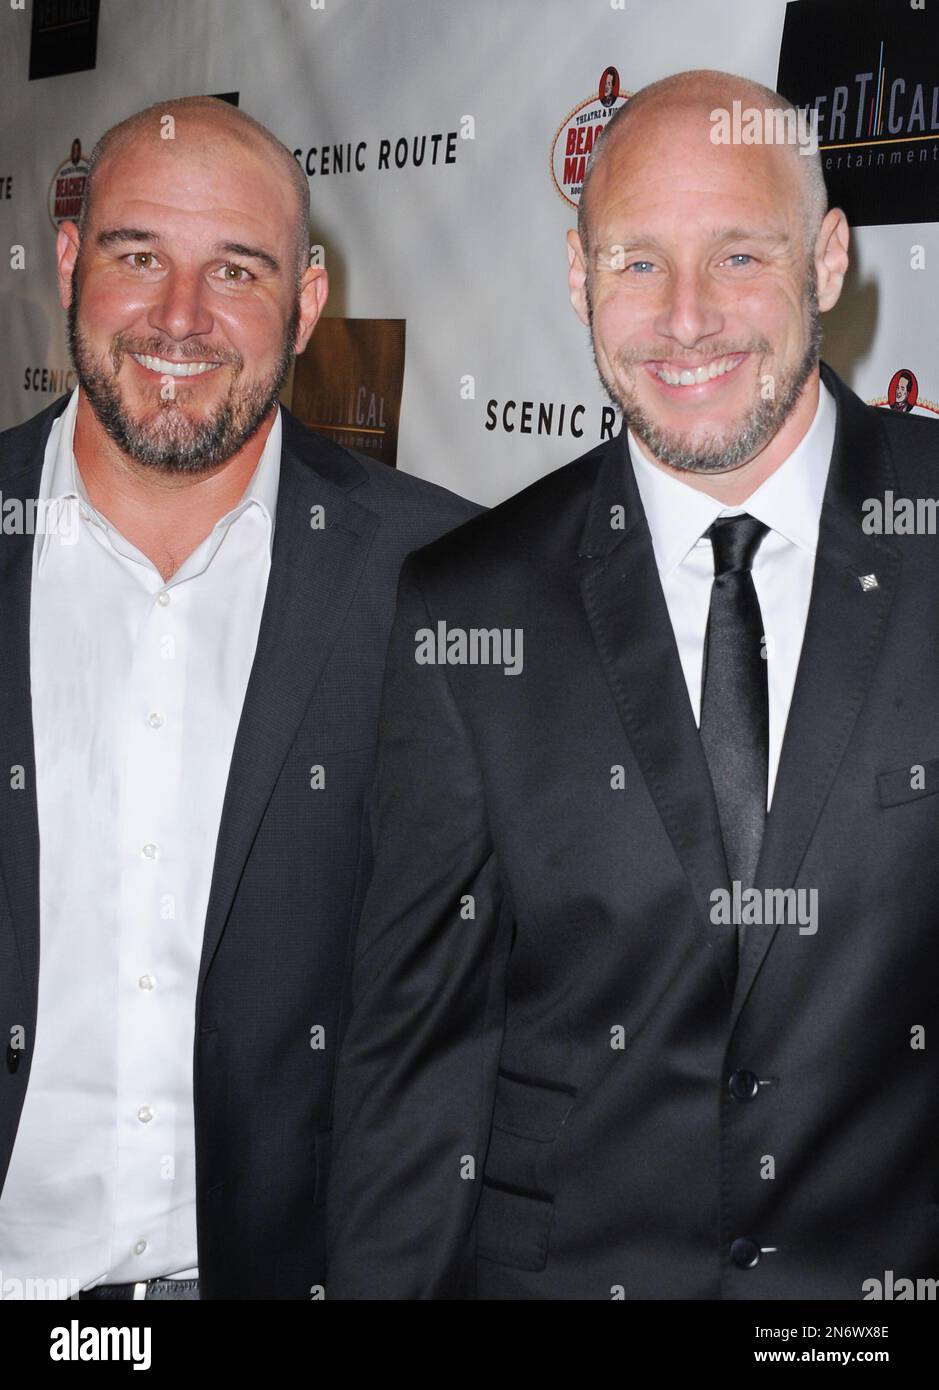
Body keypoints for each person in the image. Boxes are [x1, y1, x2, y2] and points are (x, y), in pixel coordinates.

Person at [326, 69, 939, 1299]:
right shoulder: (469, 604)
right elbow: (415, 1059)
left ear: (827, 262)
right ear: (577, 278)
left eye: (739, 257)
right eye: (637, 263)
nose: (688, 318)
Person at [0, 95, 477, 1300]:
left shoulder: (447, 587)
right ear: (68, 262)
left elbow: (468, 1031)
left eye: (237, 271)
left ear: (307, 304)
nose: (178, 319)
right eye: (137, 256)